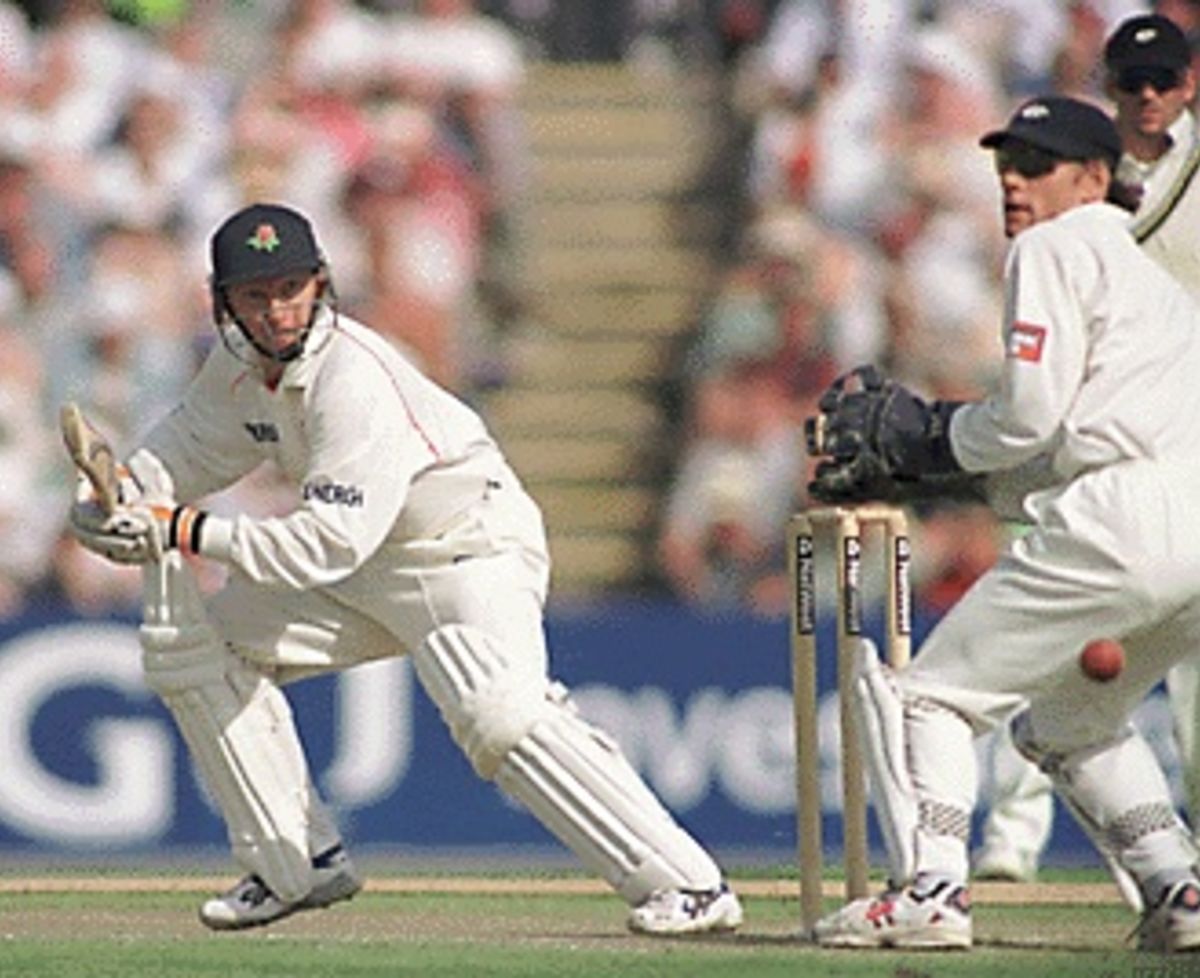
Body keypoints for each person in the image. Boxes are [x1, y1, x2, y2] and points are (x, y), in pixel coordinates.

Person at [66, 201, 743, 935]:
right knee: (202, 649)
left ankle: (690, 886)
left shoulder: (353, 380)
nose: (278, 312)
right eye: (256, 296)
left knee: (500, 715)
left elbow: (323, 546)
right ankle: (297, 863)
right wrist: (108, 512)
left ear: (321, 285)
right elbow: (167, 464)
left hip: (464, 552)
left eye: (291, 289)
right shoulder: (233, 369)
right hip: (362, 569)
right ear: (222, 300)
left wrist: (183, 529)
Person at [803, 95, 1200, 953]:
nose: (1014, 184)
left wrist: (934, 435)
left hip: (1124, 520)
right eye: (1006, 167)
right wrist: (947, 459)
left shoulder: (1057, 244)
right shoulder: (1147, 279)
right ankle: (1180, 886)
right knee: (1067, 721)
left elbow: (1029, 421)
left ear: (1094, 178)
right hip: (1189, 528)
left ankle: (934, 890)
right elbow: (1064, 442)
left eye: (1036, 166)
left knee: (930, 697)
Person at [974, 11, 1200, 885]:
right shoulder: (1061, 169)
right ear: (1107, 88)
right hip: (1076, 417)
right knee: (1026, 633)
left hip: (1167, 426)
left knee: (1183, 674)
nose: (1148, 98)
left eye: (1165, 82)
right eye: (1131, 83)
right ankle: (1009, 841)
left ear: (1188, 84)